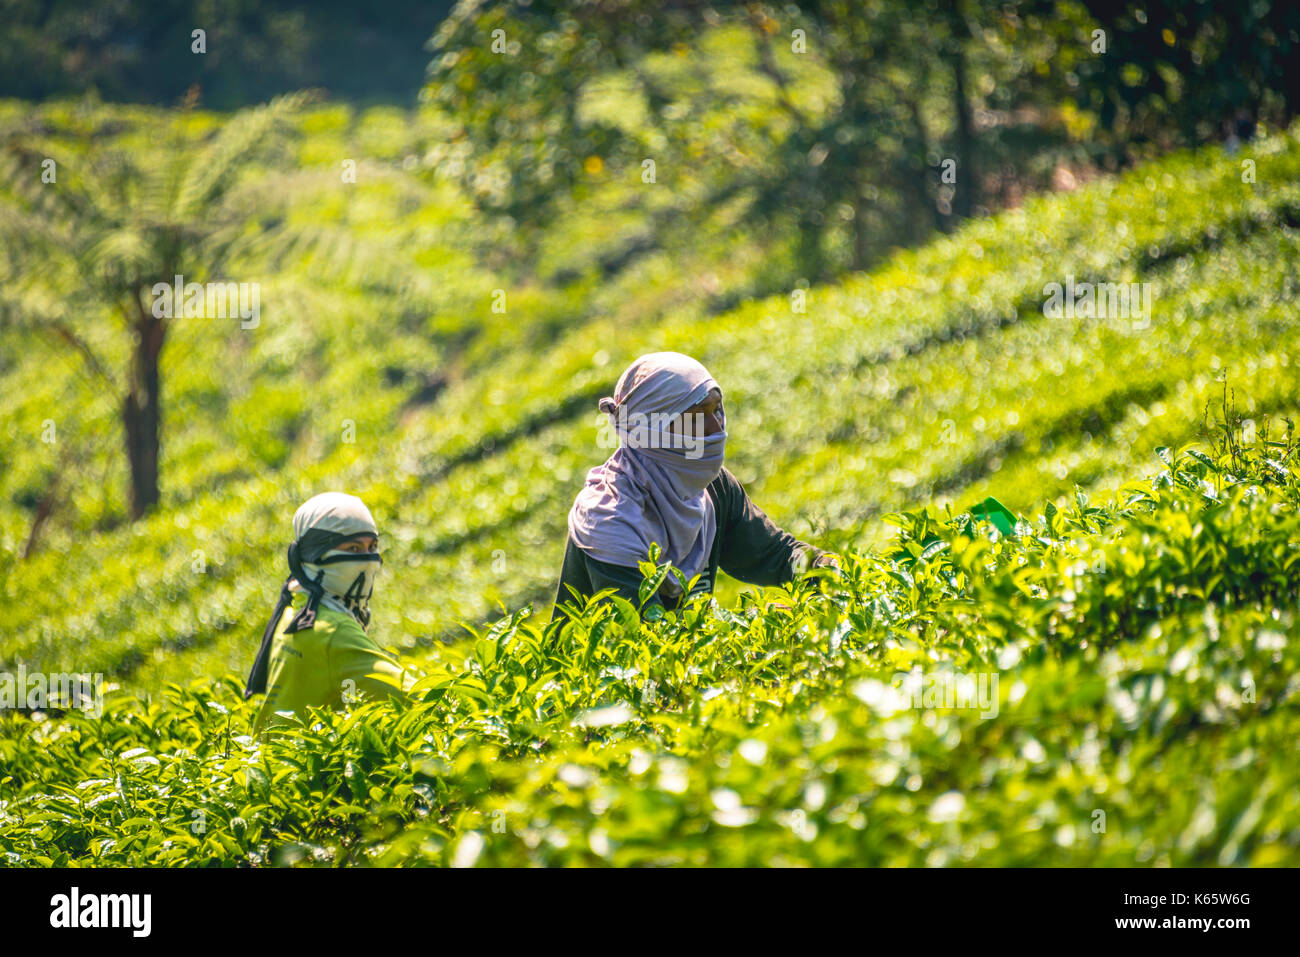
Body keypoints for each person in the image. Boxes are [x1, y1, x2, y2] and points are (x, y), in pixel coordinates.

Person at [553, 351, 838, 620]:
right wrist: (761, 620)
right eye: (697, 417)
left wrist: (827, 568)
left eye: (717, 411)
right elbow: (648, 645)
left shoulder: (713, 488)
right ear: (652, 429)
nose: (716, 430)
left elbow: (775, 555)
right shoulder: (610, 521)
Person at [244, 492, 408, 733]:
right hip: (305, 769)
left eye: (372, 547)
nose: (367, 560)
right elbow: (411, 695)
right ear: (314, 554)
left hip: (275, 764)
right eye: (353, 548)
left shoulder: (295, 611)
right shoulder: (331, 630)